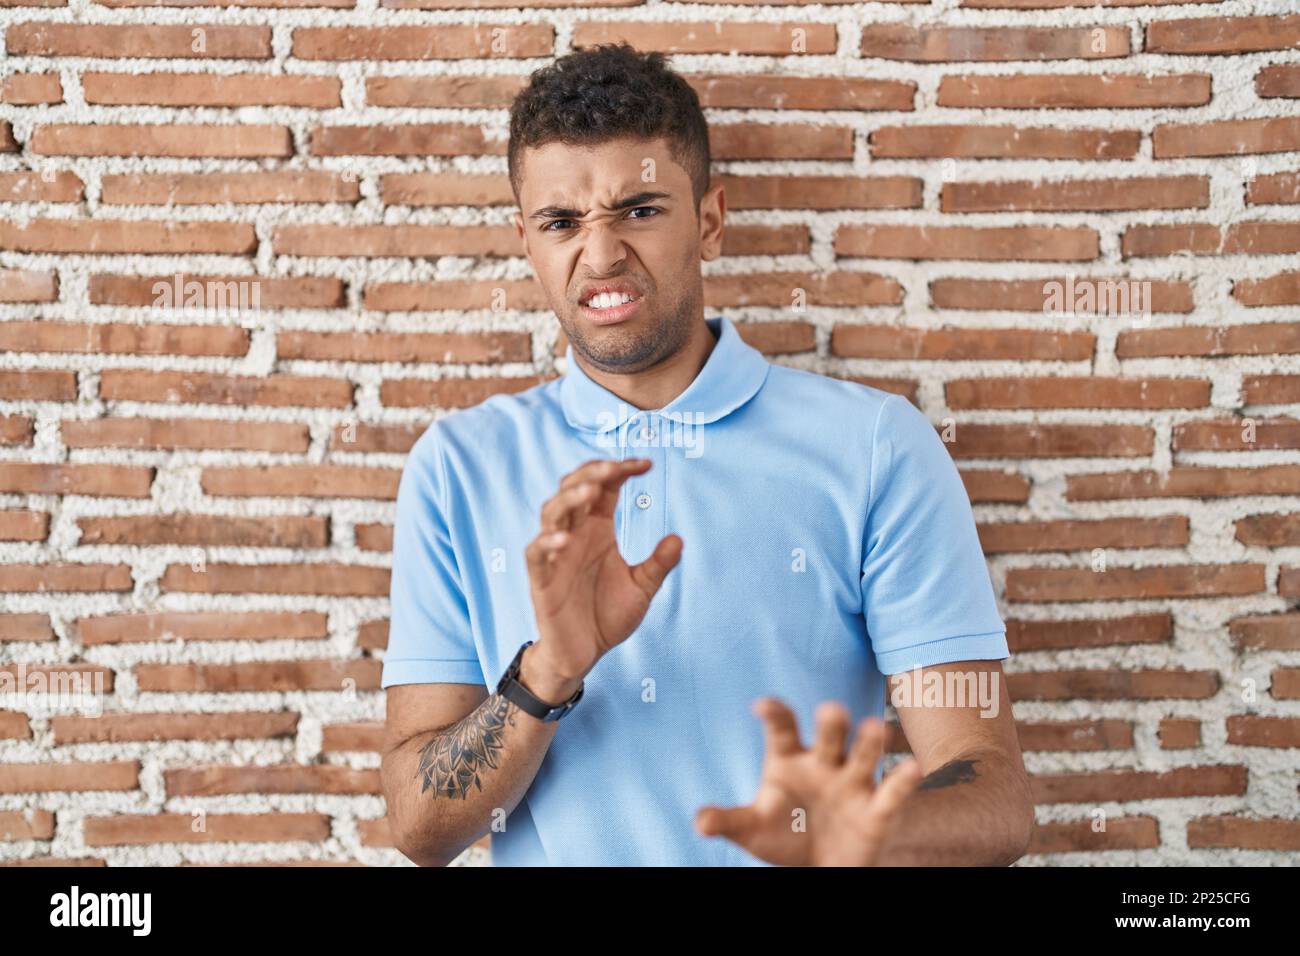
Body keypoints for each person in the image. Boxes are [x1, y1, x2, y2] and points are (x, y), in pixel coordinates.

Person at [379, 42, 1034, 867]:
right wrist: (548, 672)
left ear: (711, 220)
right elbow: (419, 829)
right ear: (527, 241)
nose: (603, 253)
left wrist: (860, 833)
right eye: (561, 222)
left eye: (640, 209)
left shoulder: (876, 445)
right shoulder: (455, 467)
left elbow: (996, 794)